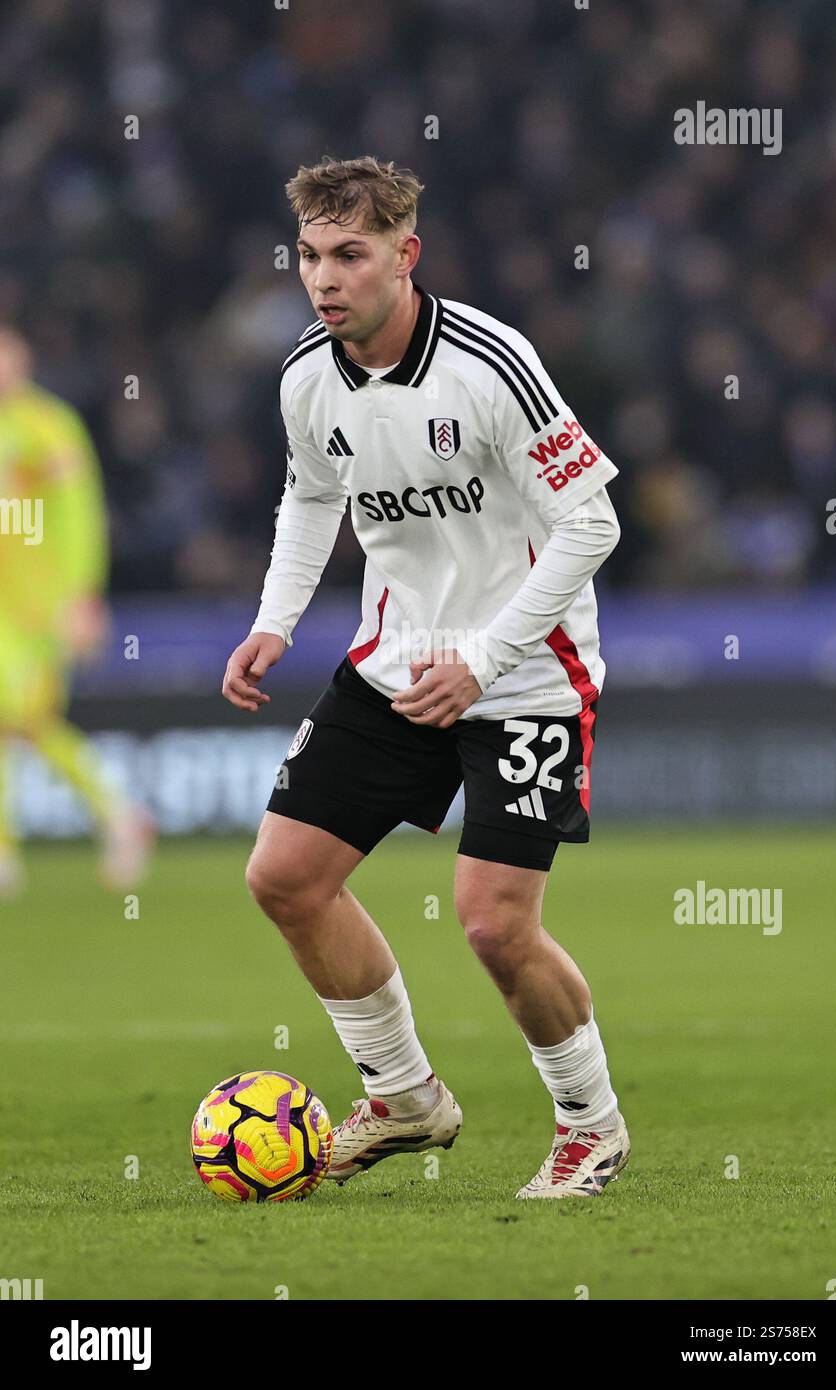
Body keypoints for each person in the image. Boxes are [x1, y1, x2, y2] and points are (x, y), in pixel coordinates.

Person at [222, 156, 627, 1198]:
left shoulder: (491, 363)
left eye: (348, 254)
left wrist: (485, 656)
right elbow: (312, 498)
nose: (323, 278)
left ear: (405, 256)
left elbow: (592, 522)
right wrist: (275, 621)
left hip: (526, 664)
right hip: (395, 661)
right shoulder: (305, 377)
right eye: (309, 255)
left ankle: (590, 1124)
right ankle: (403, 1096)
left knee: (492, 920)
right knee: (284, 876)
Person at [0, 327, 153, 895]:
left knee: (19, 717)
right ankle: (113, 818)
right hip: (3, 603)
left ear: (24, 360)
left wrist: (83, 595)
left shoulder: (49, 426)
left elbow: (82, 514)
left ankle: (113, 814)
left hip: (42, 605)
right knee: (17, 720)